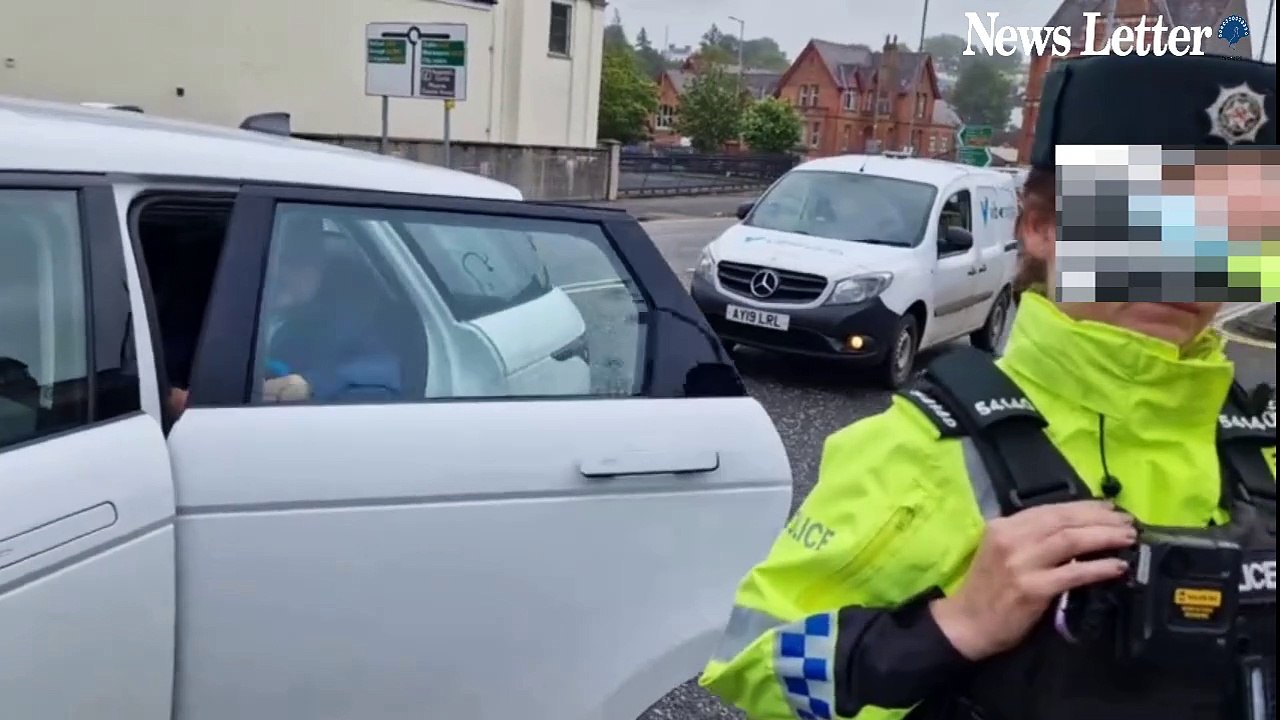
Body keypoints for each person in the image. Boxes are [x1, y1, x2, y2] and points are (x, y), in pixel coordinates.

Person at [699, 54, 1276, 720]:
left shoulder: (1260, 454)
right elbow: (753, 661)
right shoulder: (920, 452)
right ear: (1040, 225)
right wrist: (950, 629)